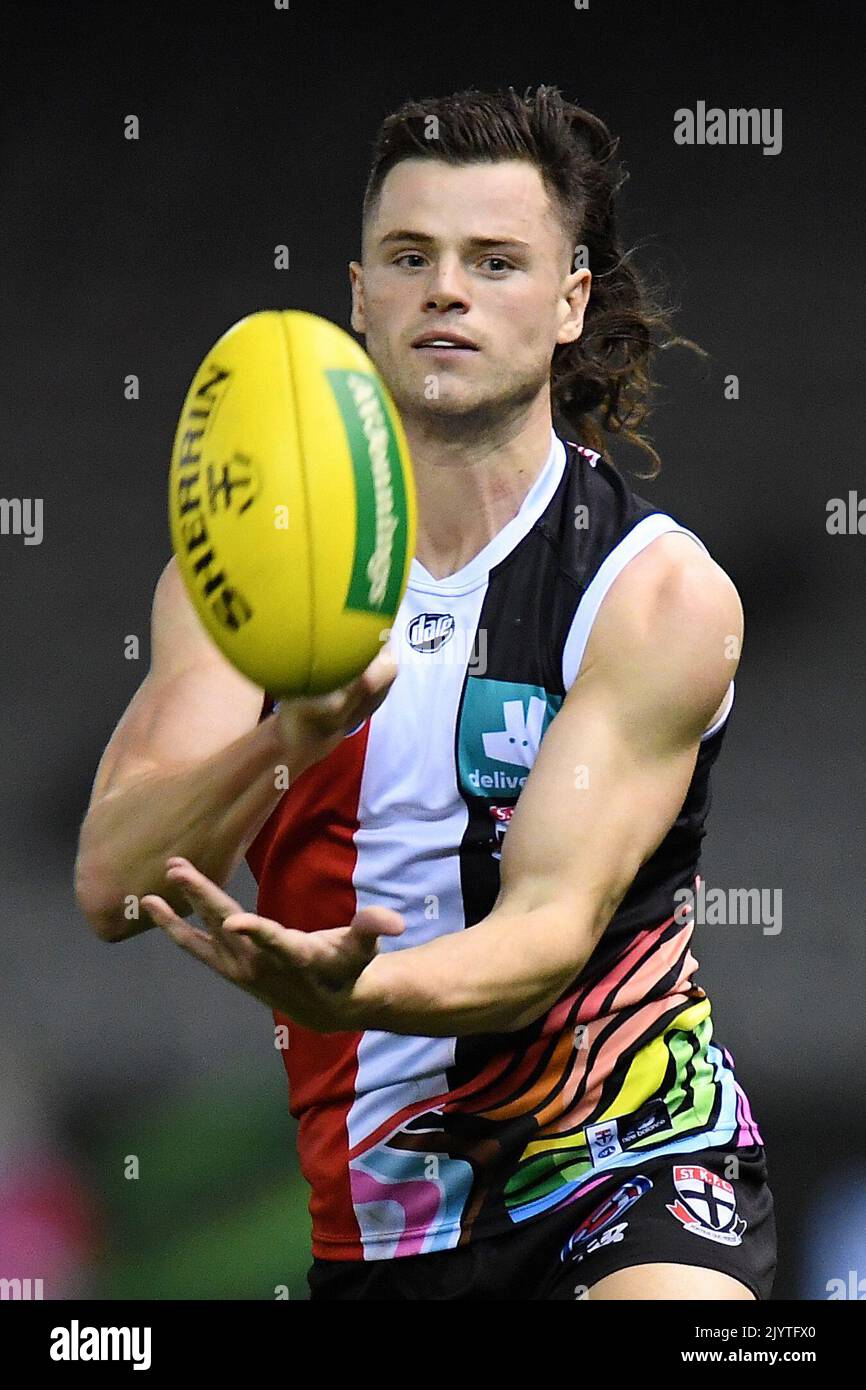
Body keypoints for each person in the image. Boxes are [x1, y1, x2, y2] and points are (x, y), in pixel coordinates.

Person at [75, 85, 776, 1301]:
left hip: (623, 1159)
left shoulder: (651, 593)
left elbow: (545, 934)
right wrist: (290, 739)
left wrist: (349, 986)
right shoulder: (239, 575)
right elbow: (110, 884)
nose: (444, 288)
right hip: (382, 1222)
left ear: (569, 302)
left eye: (493, 260)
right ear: (358, 297)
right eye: (410, 257)